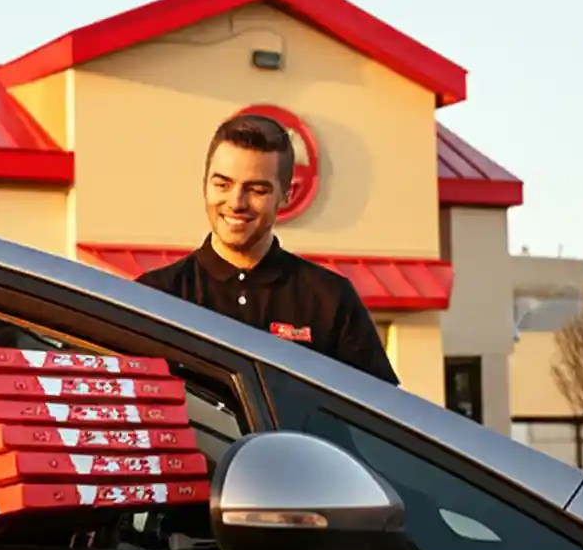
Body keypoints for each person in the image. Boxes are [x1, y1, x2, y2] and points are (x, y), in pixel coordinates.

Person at [136, 114, 399, 385]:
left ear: (287, 195)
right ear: (205, 185)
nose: (236, 202)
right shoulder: (156, 296)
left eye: (257, 190)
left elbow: (383, 411)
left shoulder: (329, 299)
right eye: (222, 185)